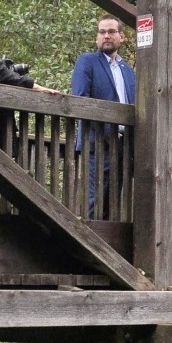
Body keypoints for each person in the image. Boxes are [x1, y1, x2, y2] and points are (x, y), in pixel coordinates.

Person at [71, 16, 136, 218]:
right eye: (102, 32)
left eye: (111, 31)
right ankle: (86, 246)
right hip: (97, 143)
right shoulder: (87, 62)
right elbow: (81, 100)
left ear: (121, 36)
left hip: (125, 146)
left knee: (114, 201)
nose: (106, 36)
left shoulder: (128, 70)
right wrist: (110, 132)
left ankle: (106, 247)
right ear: (97, 38)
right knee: (95, 200)